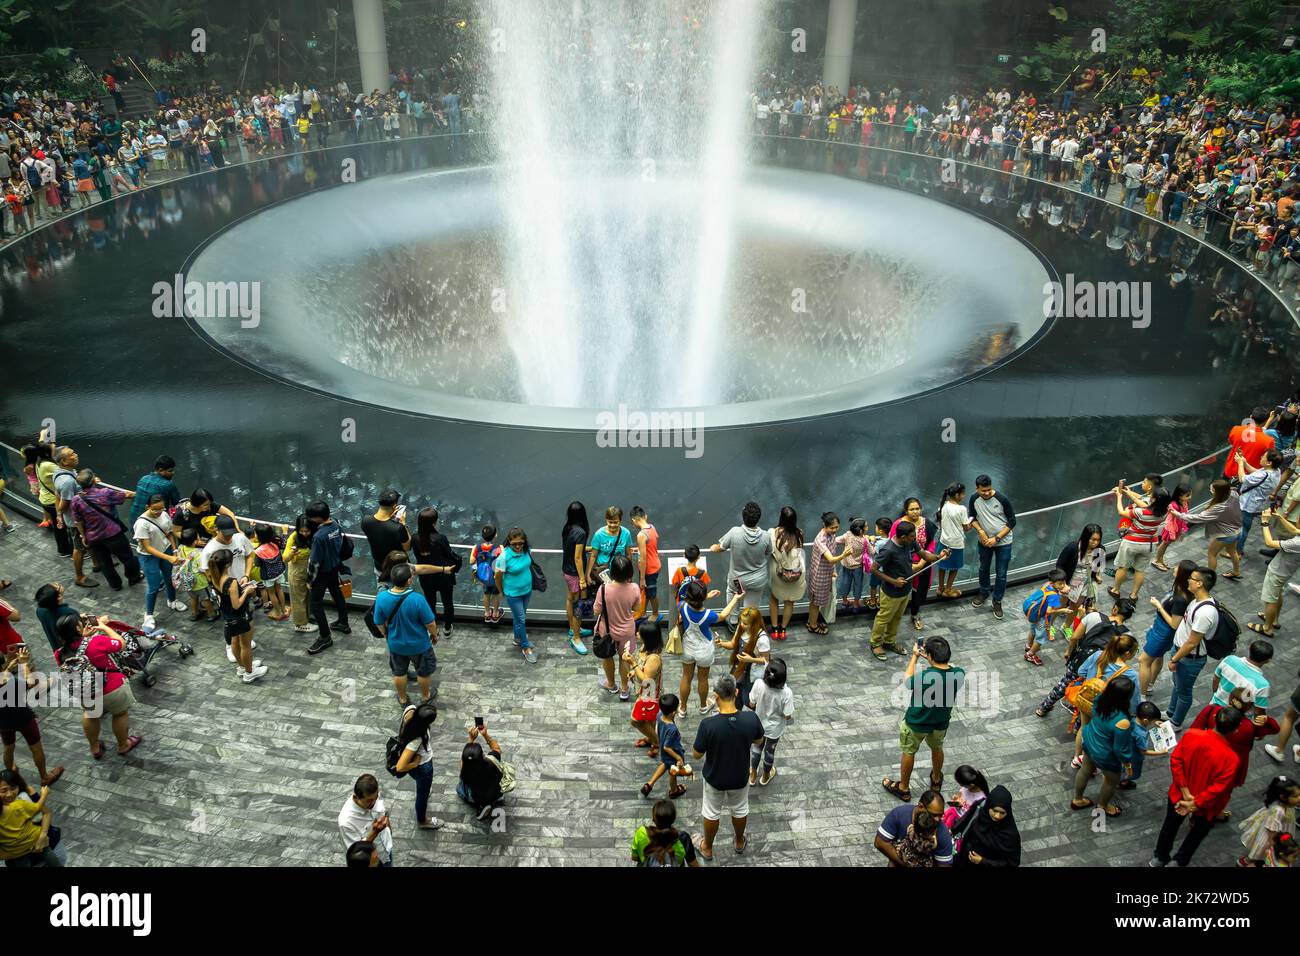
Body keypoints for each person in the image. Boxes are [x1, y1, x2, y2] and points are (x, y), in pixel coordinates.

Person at [1149, 705, 1244, 867]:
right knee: (1197, 834)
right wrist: (1195, 803)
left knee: (1170, 826)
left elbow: (1176, 761)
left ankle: (1160, 857)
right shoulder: (1232, 759)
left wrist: (1185, 792)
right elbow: (1219, 788)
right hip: (1207, 806)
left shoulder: (1192, 735)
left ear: (1215, 719)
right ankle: (1179, 862)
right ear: (1235, 730)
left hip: (1179, 795)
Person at [691, 674, 764, 862]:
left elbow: (696, 754)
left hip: (715, 777)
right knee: (740, 809)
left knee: (711, 811)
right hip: (740, 776)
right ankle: (739, 841)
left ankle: (707, 847)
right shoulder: (751, 719)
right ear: (737, 692)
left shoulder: (708, 724)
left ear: (715, 695)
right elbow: (759, 740)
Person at [884, 635, 963, 801]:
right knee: (937, 748)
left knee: (908, 751)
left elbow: (907, 681)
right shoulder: (958, 674)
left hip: (917, 722)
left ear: (930, 656)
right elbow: (949, 669)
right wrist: (933, 659)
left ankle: (904, 788)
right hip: (940, 723)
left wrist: (914, 657)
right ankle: (935, 779)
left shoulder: (925, 677)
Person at [53, 614, 142, 758]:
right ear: (77, 628)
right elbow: (121, 643)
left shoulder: (59, 653)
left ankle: (95, 748)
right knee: (119, 714)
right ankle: (123, 745)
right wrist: (104, 627)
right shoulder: (97, 641)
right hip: (112, 689)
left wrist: (84, 637)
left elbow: (77, 655)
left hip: (86, 693)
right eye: (80, 622)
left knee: (90, 715)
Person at [870, 520, 948, 661]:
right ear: (903, 537)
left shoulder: (910, 541)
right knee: (883, 618)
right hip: (890, 592)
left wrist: (939, 556)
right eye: (912, 537)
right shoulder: (888, 550)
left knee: (897, 617)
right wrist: (894, 581)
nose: (915, 539)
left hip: (905, 590)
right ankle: (875, 643)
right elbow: (873, 569)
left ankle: (889, 641)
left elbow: (924, 555)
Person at [1069, 675, 1138, 818]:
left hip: (1089, 741)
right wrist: (1128, 763)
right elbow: (1120, 749)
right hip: (1105, 754)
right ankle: (1103, 806)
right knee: (1111, 780)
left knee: (1085, 770)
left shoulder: (1099, 699)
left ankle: (1078, 799)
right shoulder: (1122, 721)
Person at [675, 579, 742, 717]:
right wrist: (735, 598)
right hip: (704, 651)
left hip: (687, 647)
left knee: (686, 677)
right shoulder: (709, 615)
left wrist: (705, 596)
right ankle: (703, 706)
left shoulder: (681, 606)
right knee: (703, 679)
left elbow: (690, 603)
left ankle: (682, 708)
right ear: (702, 597)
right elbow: (723, 615)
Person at [374, 563, 438, 706]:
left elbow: (378, 622)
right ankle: (426, 696)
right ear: (409, 580)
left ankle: (403, 699)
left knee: (399, 672)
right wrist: (435, 635)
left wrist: (386, 635)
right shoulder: (417, 599)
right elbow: (430, 623)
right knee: (423, 672)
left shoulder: (382, 597)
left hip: (396, 644)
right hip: (419, 645)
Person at [69, 468, 141, 591]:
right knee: (127, 557)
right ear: (93, 480)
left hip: (94, 537)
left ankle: (115, 585)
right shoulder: (105, 493)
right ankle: (134, 577)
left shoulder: (76, 500)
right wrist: (142, 493)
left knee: (104, 562)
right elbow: (127, 495)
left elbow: (78, 521)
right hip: (113, 534)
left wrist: (83, 536)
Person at [1, 644, 62, 786]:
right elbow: (31, 682)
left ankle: (10, 774)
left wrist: (9, 668)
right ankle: (44, 777)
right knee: (35, 747)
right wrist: (23, 664)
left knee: (8, 747)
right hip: (23, 717)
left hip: (3, 722)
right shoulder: (12, 682)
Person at [1167, 566, 1220, 728]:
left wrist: (1175, 659)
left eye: (1192, 578)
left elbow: (1192, 642)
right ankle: (1170, 712)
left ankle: (1176, 722)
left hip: (1189, 658)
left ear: (1200, 584)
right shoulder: (1196, 600)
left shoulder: (1205, 613)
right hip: (1181, 652)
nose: (1188, 580)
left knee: (1184, 692)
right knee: (1177, 684)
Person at [201, 516, 259, 664]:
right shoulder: (209, 550)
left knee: (245, 613)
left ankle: (243, 638)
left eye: (231, 534)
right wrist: (222, 588)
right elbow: (207, 573)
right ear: (216, 530)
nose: (229, 537)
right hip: (225, 590)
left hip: (241, 584)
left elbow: (250, 554)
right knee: (230, 620)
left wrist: (246, 575)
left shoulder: (240, 538)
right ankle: (230, 645)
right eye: (225, 534)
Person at [709, 502, 774, 628]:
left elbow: (720, 547)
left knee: (733, 593)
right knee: (750, 609)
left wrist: (713, 548)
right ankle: (747, 627)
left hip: (738, 580)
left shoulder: (735, 532)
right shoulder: (766, 536)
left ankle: (733, 620)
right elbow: (769, 552)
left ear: (743, 517)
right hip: (758, 580)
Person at [1138, 559, 1195, 697]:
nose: (1174, 568)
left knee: (1143, 660)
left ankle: (1141, 695)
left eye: (1178, 567)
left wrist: (1158, 606)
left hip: (1164, 632)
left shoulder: (1181, 599)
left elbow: (1174, 623)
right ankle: (1149, 684)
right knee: (1158, 656)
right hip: (1160, 626)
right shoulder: (1179, 588)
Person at [132, 492, 188, 631]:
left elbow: (169, 533)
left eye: (161, 508)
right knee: (154, 586)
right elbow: (147, 547)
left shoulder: (164, 515)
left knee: (170, 577)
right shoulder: (141, 524)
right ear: (147, 506)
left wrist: (174, 550)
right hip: (149, 556)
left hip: (166, 549)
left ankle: (172, 600)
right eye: (154, 509)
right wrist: (169, 558)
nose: (158, 512)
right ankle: (149, 615)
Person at [209, 550, 266, 684]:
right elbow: (236, 604)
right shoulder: (231, 581)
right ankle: (250, 673)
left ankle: (243, 667)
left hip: (228, 616)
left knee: (234, 641)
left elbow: (227, 597)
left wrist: (240, 589)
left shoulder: (214, 577)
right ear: (229, 564)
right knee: (245, 645)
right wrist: (247, 591)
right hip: (240, 616)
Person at [1110, 481, 1173, 600]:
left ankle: (1116, 590)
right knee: (1140, 570)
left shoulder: (1141, 512)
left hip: (1131, 542)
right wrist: (1129, 493)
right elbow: (1144, 503)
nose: (1148, 497)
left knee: (1123, 567)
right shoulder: (1165, 512)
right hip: (1149, 544)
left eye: (1151, 496)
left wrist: (1119, 497)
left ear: (1154, 500)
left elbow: (1121, 512)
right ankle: (1134, 595)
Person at [592, 554, 644, 696]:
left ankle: (611, 684)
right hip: (627, 630)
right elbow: (638, 608)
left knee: (607, 656)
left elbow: (596, 611)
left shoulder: (603, 589)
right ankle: (624, 689)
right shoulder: (634, 588)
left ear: (612, 571)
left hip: (607, 630)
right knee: (625, 658)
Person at [306, 501, 351, 655]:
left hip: (322, 573)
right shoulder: (336, 525)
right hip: (334, 567)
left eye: (311, 517)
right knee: (337, 593)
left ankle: (325, 637)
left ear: (318, 518)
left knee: (315, 604)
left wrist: (309, 580)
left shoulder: (319, 536)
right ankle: (343, 623)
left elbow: (315, 562)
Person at [968, 475, 1016, 619]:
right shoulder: (974, 498)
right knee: (983, 568)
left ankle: (997, 600)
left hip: (1003, 542)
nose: (987, 493)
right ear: (977, 489)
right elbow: (972, 517)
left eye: (989, 489)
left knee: (1001, 574)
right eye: (983, 491)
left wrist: (997, 538)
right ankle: (984, 591)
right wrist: (981, 532)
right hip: (984, 541)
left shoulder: (1002, 499)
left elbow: (1012, 521)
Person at [393, 702, 445, 830]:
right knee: (422, 795)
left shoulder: (411, 710)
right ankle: (422, 820)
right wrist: (414, 764)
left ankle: (424, 789)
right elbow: (400, 767)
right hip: (423, 767)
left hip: (421, 765)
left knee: (423, 787)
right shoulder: (417, 738)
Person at [410, 508, 458, 639]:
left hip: (426, 576)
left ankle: (433, 628)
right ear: (434, 523)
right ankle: (447, 629)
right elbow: (449, 554)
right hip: (443, 574)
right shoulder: (440, 538)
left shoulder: (414, 538)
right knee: (447, 602)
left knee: (430, 602)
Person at [1252, 507, 1300, 637]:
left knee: (1270, 600)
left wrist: (1265, 523)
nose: (1296, 519)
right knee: (1277, 594)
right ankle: (1274, 620)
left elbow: (1269, 542)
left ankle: (1267, 627)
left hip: (1278, 571)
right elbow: (1295, 530)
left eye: (1298, 519)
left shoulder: (1296, 543)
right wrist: (1280, 517)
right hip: (1286, 571)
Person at [874, 790, 954, 866]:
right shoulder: (899, 815)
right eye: (934, 815)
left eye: (940, 815)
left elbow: (944, 865)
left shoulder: (942, 833)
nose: (937, 819)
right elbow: (880, 842)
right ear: (920, 806)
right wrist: (907, 864)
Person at [494, 527, 539, 664]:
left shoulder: (527, 551)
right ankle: (525, 647)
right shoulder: (504, 557)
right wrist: (501, 591)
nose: (518, 546)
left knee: (519, 618)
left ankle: (517, 639)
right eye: (515, 544)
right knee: (521, 619)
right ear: (509, 542)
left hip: (527, 590)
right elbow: (497, 576)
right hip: (513, 594)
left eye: (521, 543)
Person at [894, 498, 940, 631]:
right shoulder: (899, 525)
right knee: (899, 587)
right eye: (911, 509)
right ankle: (895, 614)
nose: (915, 512)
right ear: (906, 510)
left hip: (922, 563)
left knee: (918, 590)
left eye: (917, 509)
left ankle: (914, 614)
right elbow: (893, 545)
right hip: (903, 564)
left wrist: (921, 563)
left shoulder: (927, 524)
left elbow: (931, 544)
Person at [0, 770, 62, 866]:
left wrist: (42, 836)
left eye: (13, 788)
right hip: (32, 841)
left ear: (18, 786)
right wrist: (44, 794)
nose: (9, 794)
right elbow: (39, 808)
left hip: (17, 850)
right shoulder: (19, 804)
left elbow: (46, 813)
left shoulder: (20, 801)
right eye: (4, 791)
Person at [747, 657, 793, 786]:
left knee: (756, 748)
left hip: (759, 725)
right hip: (774, 729)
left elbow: (751, 703)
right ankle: (766, 775)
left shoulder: (758, 684)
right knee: (769, 751)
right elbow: (787, 715)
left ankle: (753, 774)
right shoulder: (787, 693)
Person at [1181, 479, 1242, 577]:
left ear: (1217, 492)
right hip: (1237, 530)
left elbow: (1198, 518)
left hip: (1226, 535)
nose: (1210, 492)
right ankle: (1236, 571)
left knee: (1212, 554)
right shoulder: (1233, 494)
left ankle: (1209, 577)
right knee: (1232, 551)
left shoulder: (1219, 507)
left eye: (1212, 490)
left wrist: (1179, 515)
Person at [1238, 775, 1300, 866]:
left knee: (1263, 853)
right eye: (1296, 796)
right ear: (1283, 797)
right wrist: (1274, 845)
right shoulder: (1278, 811)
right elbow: (1271, 830)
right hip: (1272, 835)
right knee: (1260, 851)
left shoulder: (1288, 804)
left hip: (1280, 829)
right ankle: (1248, 861)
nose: (1299, 798)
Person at [953, 785, 1020, 867]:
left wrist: (983, 861)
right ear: (988, 806)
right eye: (994, 811)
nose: (997, 816)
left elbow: (1012, 862)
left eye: (1002, 813)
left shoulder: (1010, 835)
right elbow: (966, 827)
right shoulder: (981, 815)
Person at [767, 506, 805, 641]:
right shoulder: (799, 534)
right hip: (795, 574)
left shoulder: (773, 533)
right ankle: (783, 629)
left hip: (779, 574)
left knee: (774, 598)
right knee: (789, 601)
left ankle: (774, 628)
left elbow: (769, 550)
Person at [338, 774, 393, 866]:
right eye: (369, 801)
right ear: (356, 797)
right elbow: (355, 853)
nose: (374, 802)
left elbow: (383, 813)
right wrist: (375, 832)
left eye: (376, 798)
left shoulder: (373, 797)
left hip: (386, 850)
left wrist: (389, 831)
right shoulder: (346, 822)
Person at [626, 621, 664, 756]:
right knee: (649, 719)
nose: (636, 634)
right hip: (642, 691)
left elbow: (646, 678)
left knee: (636, 721)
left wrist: (633, 663)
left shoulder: (654, 658)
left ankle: (657, 742)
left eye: (639, 633)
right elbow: (642, 669)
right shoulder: (644, 647)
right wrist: (633, 672)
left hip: (650, 694)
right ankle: (651, 739)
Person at [807, 511, 848, 634]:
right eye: (832, 528)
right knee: (816, 603)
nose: (835, 530)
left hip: (824, 573)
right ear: (824, 525)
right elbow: (831, 558)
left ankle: (811, 621)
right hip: (819, 576)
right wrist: (844, 555)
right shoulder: (820, 540)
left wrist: (833, 570)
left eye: (836, 527)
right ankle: (813, 626)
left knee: (814, 602)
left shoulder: (831, 535)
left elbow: (832, 551)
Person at [458, 723, 508, 822]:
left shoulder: (465, 772)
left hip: (480, 797)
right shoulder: (492, 761)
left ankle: (482, 806)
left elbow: (464, 761)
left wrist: (471, 739)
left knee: (459, 788)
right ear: (482, 755)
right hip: (496, 790)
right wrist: (485, 734)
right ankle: (497, 798)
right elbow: (496, 749)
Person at [1022, 570, 1072, 666]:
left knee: (1032, 630)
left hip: (1036, 614)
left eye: (1064, 583)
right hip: (1042, 618)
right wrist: (1063, 610)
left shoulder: (1047, 585)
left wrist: (1062, 590)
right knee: (1041, 638)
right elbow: (1050, 611)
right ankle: (1030, 654)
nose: (1062, 585)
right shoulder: (1054, 596)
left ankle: (1028, 645)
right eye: (1060, 584)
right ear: (1053, 583)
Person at [630, 799, 699, 867]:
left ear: (654, 819)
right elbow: (692, 863)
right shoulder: (682, 838)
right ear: (673, 819)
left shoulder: (641, 833)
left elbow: (635, 858)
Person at [561, 502, 592, 653]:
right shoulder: (581, 532)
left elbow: (571, 548)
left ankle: (573, 629)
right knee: (578, 605)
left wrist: (589, 548)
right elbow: (578, 557)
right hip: (575, 574)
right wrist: (582, 578)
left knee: (570, 599)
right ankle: (576, 638)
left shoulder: (567, 528)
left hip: (566, 571)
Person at [360, 489, 410, 577]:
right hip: (398, 569)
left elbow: (380, 529)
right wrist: (403, 524)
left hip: (380, 566)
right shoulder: (397, 528)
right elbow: (407, 547)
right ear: (395, 505)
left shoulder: (366, 520)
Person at [935, 484, 971, 598]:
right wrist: (973, 524)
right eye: (963, 494)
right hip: (956, 543)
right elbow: (966, 528)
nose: (964, 496)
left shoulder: (943, 505)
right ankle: (948, 589)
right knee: (954, 567)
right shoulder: (962, 509)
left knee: (942, 565)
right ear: (957, 495)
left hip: (944, 540)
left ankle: (940, 588)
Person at [283, 515, 315, 633]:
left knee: (307, 596)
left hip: (308, 570)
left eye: (307, 531)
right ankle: (300, 624)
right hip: (297, 571)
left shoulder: (314, 536)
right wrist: (292, 553)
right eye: (301, 531)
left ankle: (306, 618)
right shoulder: (294, 536)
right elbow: (285, 558)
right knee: (298, 597)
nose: (304, 533)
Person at [585, 506, 634, 583]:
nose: (612, 525)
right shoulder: (599, 534)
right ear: (606, 520)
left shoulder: (626, 533)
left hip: (620, 572)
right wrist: (588, 575)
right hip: (602, 573)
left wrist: (629, 575)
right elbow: (593, 556)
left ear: (620, 521)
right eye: (610, 522)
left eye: (615, 522)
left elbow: (628, 554)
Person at [127, 455, 180, 525]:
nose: (173, 473)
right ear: (160, 470)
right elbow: (178, 503)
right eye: (170, 471)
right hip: (152, 523)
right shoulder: (167, 485)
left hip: (134, 520)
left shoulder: (143, 479)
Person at [631, 506, 662, 623]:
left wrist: (642, 578)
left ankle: (655, 614)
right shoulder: (652, 527)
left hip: (648, 569)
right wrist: (639, 548)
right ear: (645, 516)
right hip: (656, 564)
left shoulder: (641, 535)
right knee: (647, 591)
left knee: (651, 593)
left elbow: (643, 559)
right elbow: (653, 542)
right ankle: (643, 612)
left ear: (634, 520)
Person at [472, 525, 503, 624]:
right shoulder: (499, 548)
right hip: (494, 576)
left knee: (486, 593)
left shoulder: (477, 547)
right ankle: (495, 614)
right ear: (495, 536)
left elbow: (471, 561)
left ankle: (486, 613)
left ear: (482, 536)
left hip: (483, 576)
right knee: (496, 594)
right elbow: (503, 562)